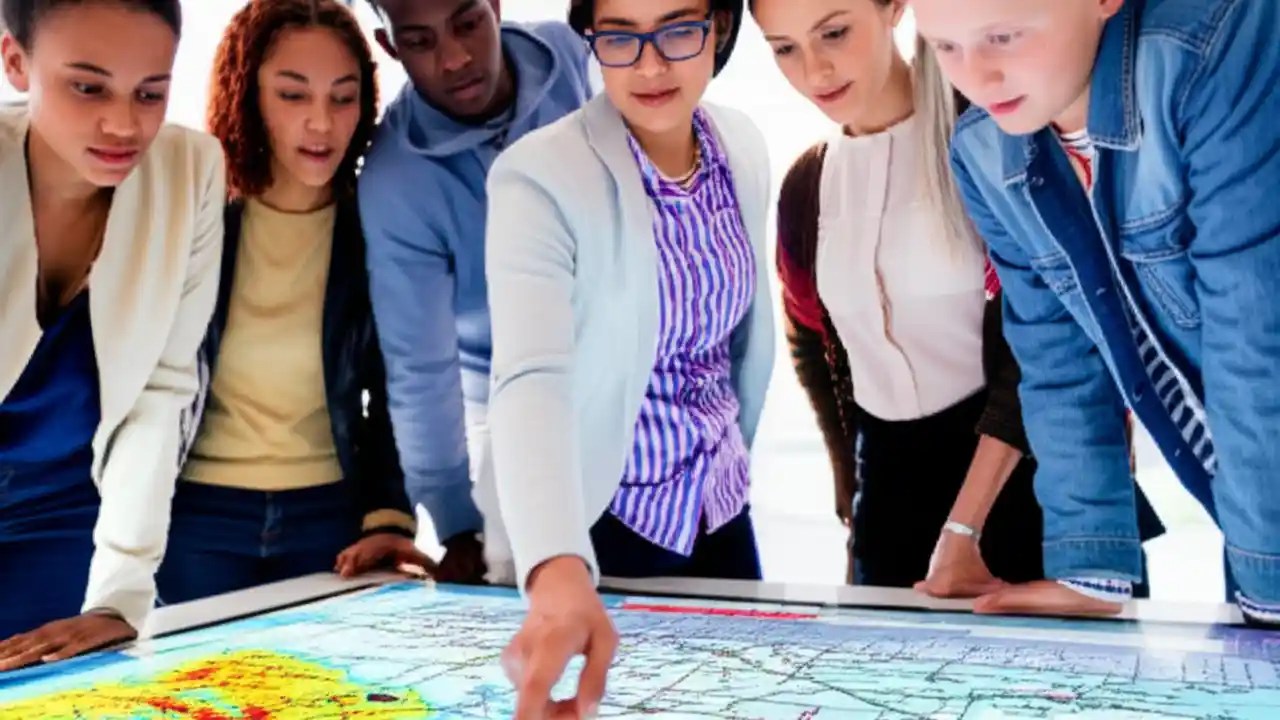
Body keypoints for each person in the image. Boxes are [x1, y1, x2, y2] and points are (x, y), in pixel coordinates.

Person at [749, 0, 1163, 596]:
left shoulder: (993, 139)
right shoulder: (807, 187)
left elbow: (1056, 340)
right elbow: (812, 340)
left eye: (835, 33)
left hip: (1031, 486)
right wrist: (852, 488)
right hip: (888, 509)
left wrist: (965, 527)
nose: (815, 71)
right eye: (784, 48)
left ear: (895, 8)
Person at [913, 0, 1280, 621]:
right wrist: (1089, 568)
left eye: (1002, 36)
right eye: (945, 46)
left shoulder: (1217, 40)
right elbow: (1057, 361)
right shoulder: (983, 154)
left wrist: (1269, 580)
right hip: (1256, 513)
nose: (976, 76)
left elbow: (1255, 334)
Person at [483, 0, 770, 715]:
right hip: (606, 523)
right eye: (620, 36)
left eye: (678, 29)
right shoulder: (539, 175)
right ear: (590, 36)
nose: (649, 63)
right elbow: (529, 378)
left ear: (720, 28)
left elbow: (736, 353)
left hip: (721, 510)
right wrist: (555, 564)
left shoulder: (742, 144)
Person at [154, 0, 429, 606]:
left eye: (342, 96)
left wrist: (389, 518)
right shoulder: (194, 215)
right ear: (247, 94)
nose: (322, 124)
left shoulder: (378, 225)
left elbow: (397, 387)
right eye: (293, 95)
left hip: (328, 519)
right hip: (196, 517)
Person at [0, 0, 224, 668]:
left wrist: (117, 598)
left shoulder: (189, 171)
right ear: (16, 62)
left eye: (150, 92)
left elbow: (162, 390)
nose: (124, 124)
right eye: (88, 86)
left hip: (70, 525)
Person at [359, 0, 594, 584]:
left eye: (468, 24)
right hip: (503, 399)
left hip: (632, 367)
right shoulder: (395, 180)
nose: (455, 58)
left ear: (495, 6)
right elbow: (420, 367)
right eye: (420, 41)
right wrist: (458, 522)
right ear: (389, 47)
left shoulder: (572, 56)